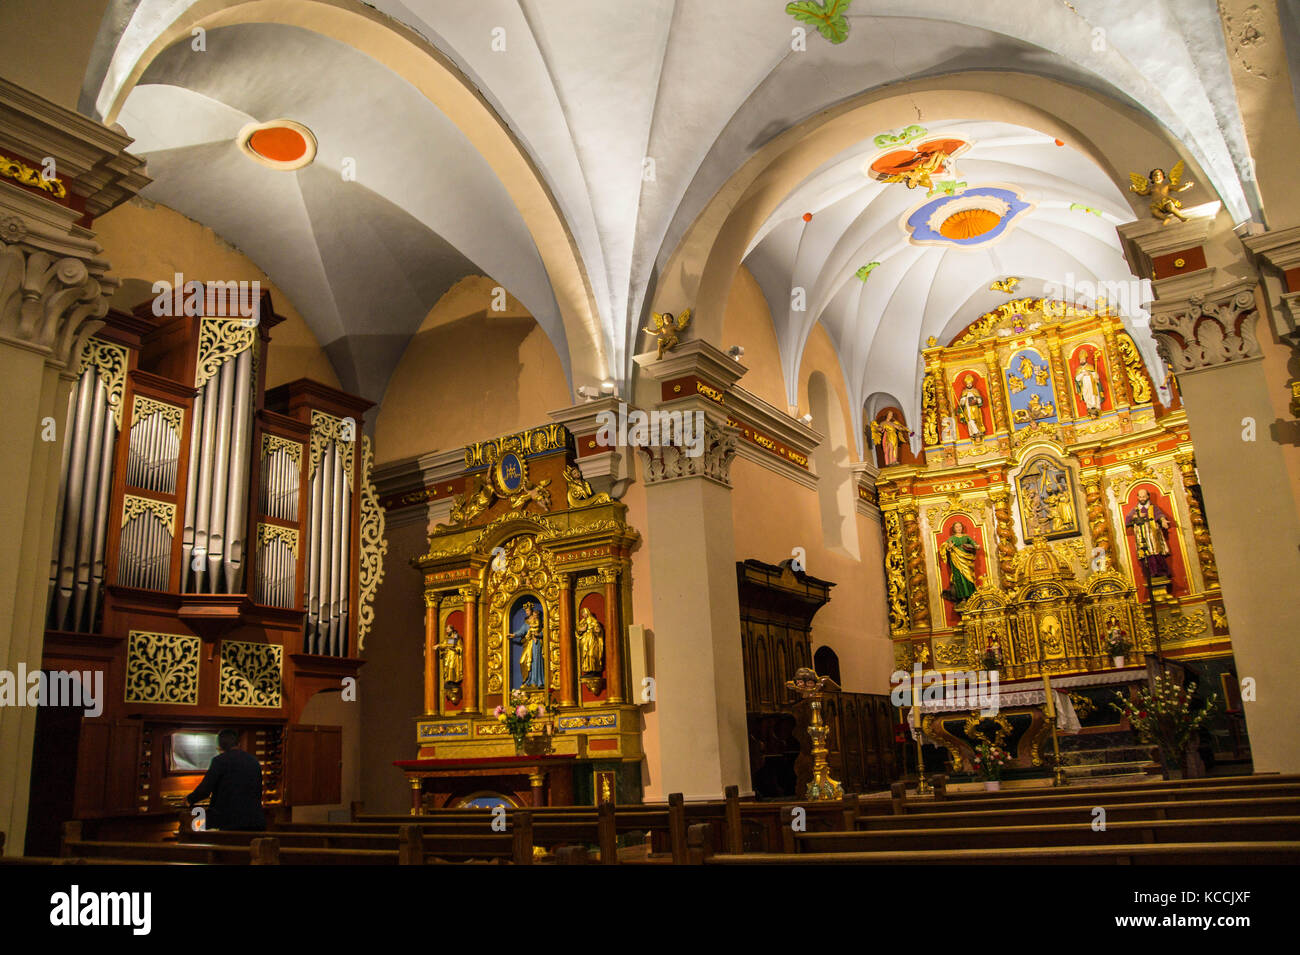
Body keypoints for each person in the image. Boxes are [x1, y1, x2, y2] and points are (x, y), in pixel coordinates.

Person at [186, 729, 266, 831]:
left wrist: (189, 799)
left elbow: (205, 791)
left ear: (219, 747)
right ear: (239, 744)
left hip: (229, 822)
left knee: (197, 827)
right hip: (255, 821)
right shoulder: (254, 761)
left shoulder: (219, 761)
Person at [1125, 487, 1174, 580]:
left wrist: (1163, 521)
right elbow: (1128, 519)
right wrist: (1135, 516)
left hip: (1153, 534)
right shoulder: (1135, 510)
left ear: (1148, 496)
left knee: (1156, 551)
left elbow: (1160, 515)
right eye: (1140, 497)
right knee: (1146, 554)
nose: (1142, 499)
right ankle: (1151, 573)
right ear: (1138, 498)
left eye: (1144, 496)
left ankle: (1161, 572)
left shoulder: (1153, 508)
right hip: (1142, 536)